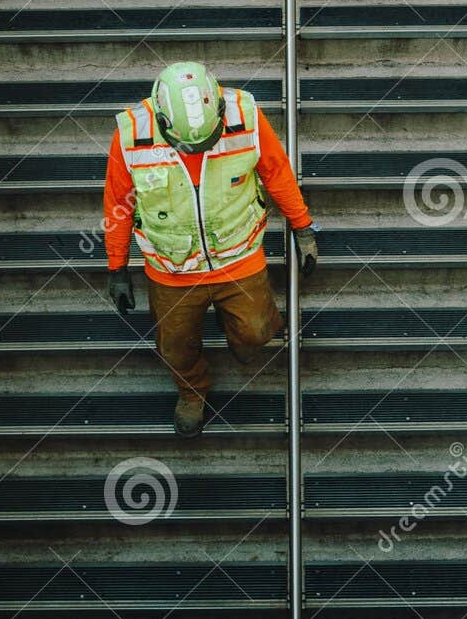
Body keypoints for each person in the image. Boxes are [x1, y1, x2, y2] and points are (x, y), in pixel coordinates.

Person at [103, 61, 319, 437]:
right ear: (163, 120)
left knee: (258, 332)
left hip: (238, 256)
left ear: (219, 109)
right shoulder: (131, 135)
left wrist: (302, 226)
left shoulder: (246, 116)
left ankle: (233, 323)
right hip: (171, 269)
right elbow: (118, 203)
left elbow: (276, 170)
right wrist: (117, 267)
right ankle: (192, 392)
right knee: (175, 348)